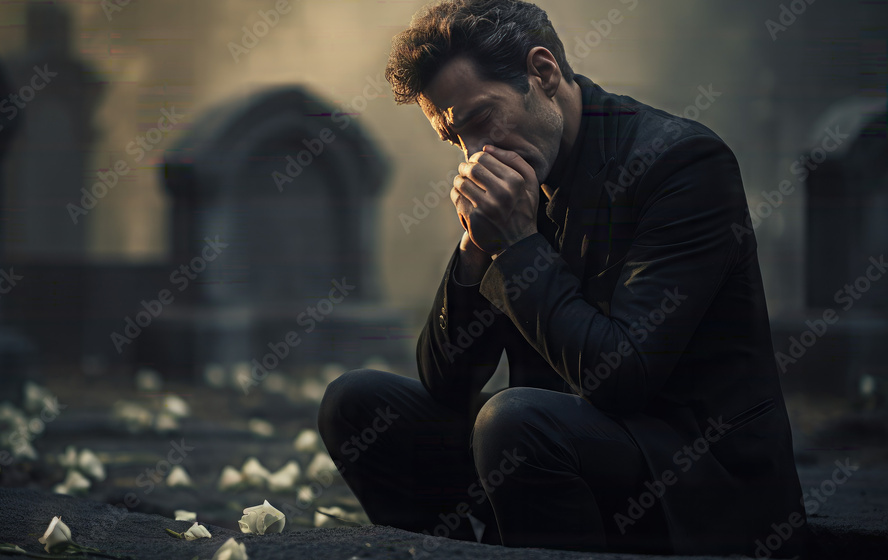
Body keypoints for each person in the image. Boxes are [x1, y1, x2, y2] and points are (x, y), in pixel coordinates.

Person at [318, 0, 805, 556]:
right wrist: (477, 247)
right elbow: (444, 385)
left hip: (690, 471)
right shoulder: (522, 180)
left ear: (543, 73)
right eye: (454, 139)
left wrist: (520, 244)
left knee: (514, 420)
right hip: (548, 444)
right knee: (357, 404)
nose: (476, 156)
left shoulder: (683, 164)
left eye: (480, 120)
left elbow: (623, 378)